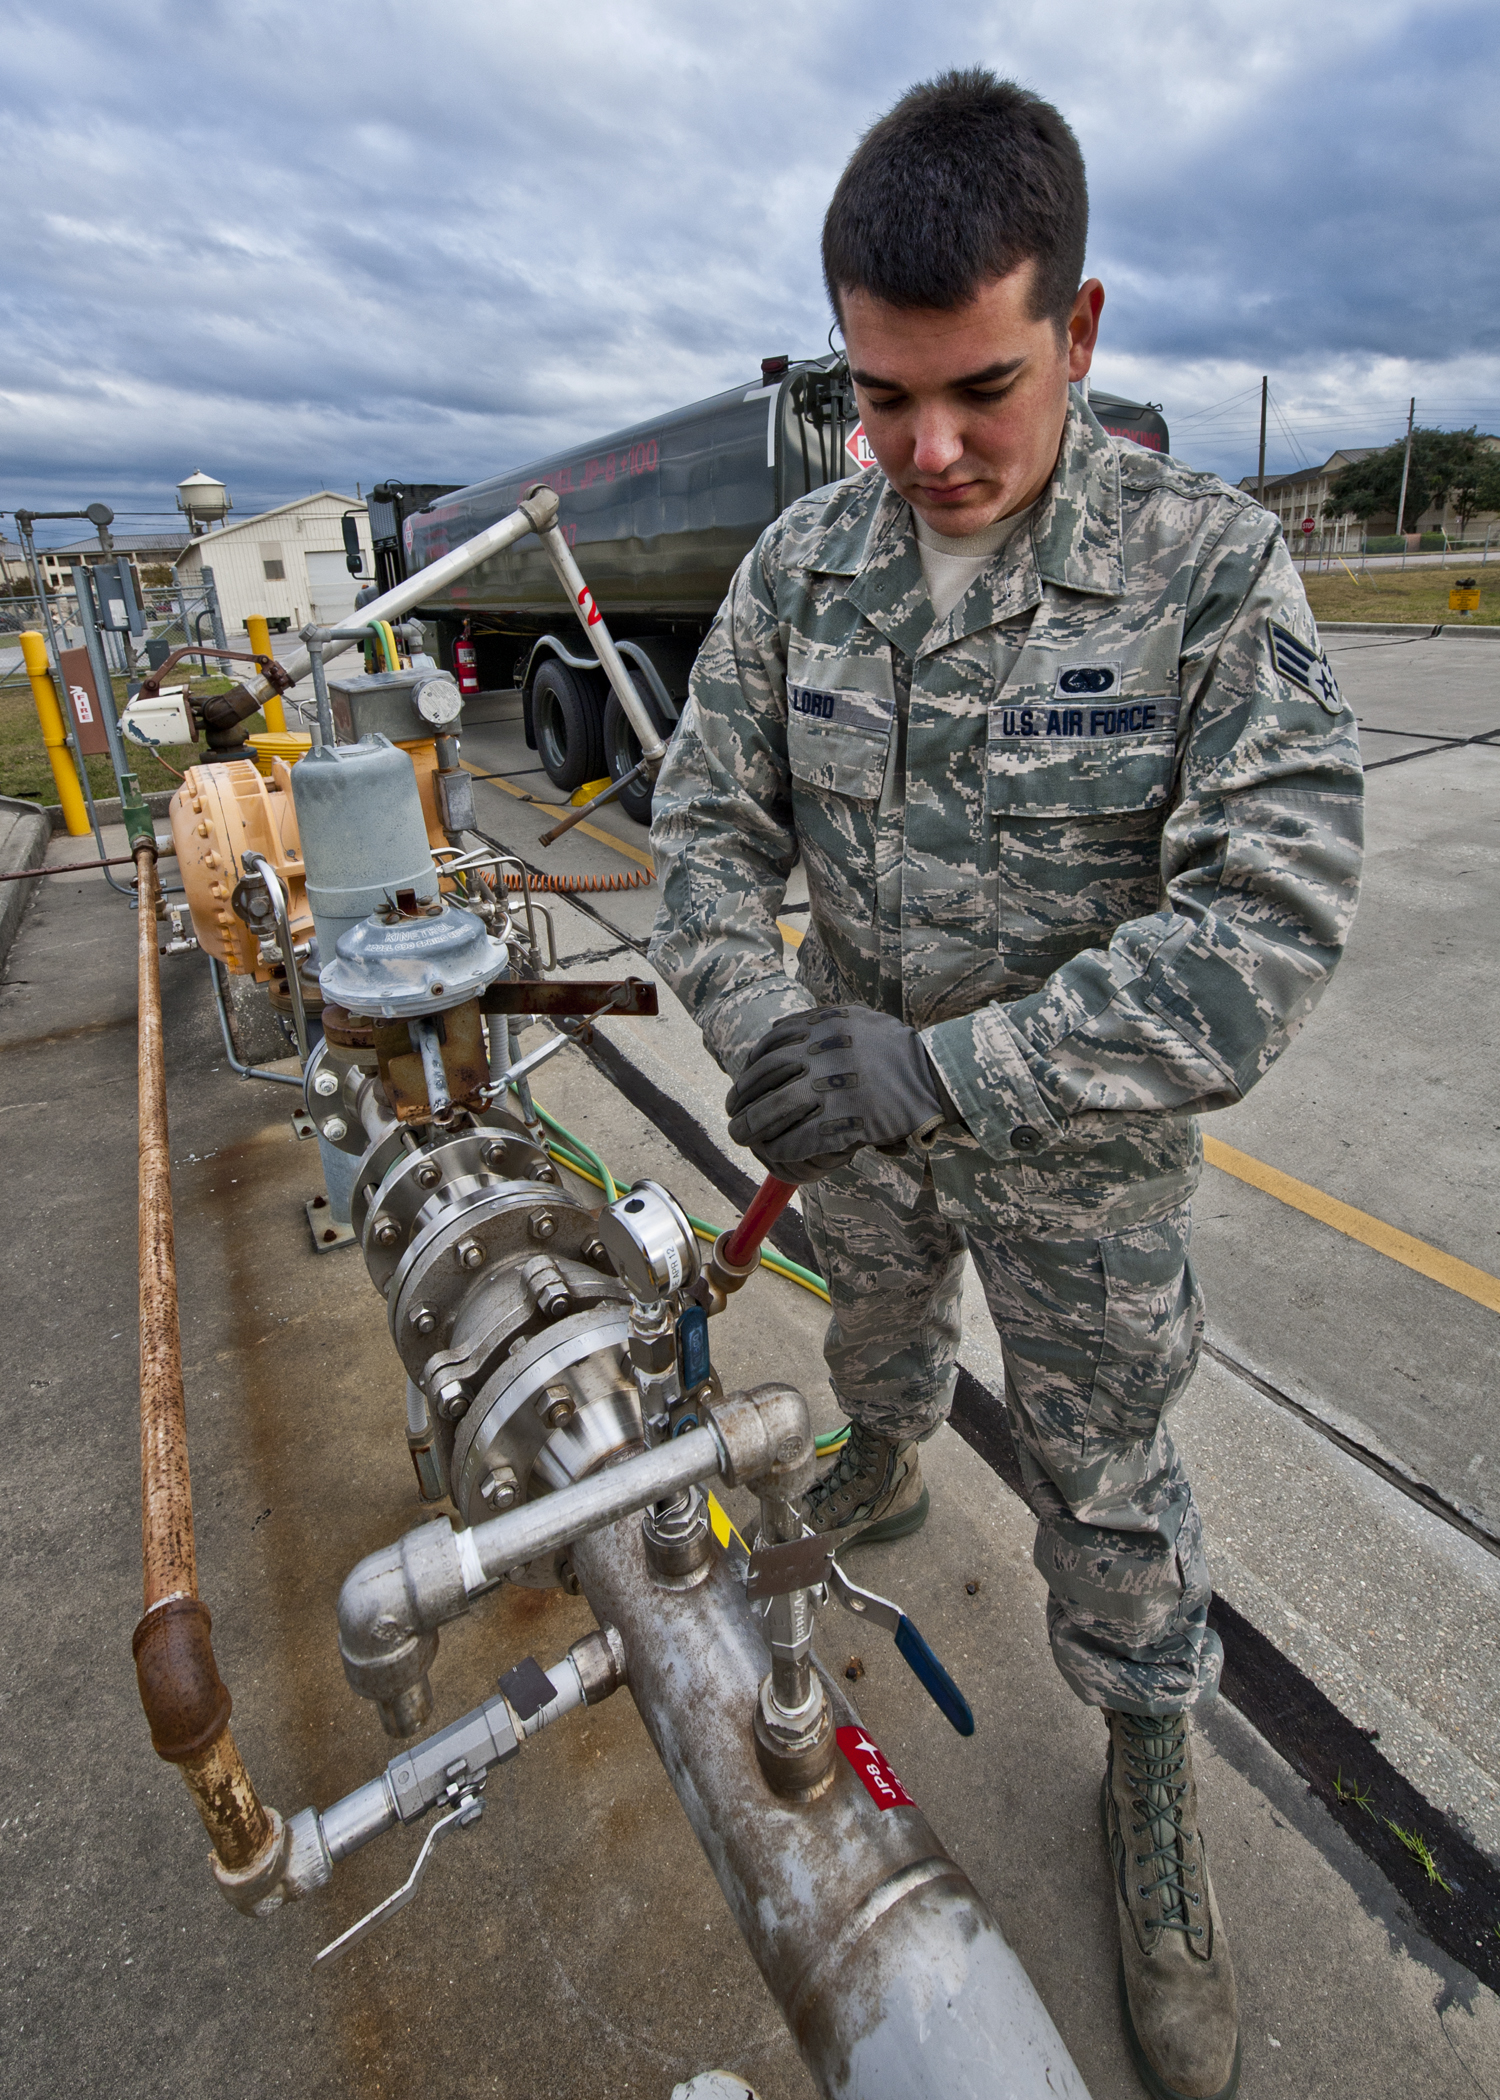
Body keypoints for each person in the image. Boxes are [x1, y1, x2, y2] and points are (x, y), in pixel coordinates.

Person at [649, 69, 1363, 2100]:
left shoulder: (1204, 572)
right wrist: (750, 1023)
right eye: (881, 400)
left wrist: (943, 1066)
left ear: (1086, 326)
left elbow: (1263, 936)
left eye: (978, 386)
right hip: (849, 1124)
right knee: (878, 1339)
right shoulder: (806, 569)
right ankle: (880, 1454)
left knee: (1107, 1482)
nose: (929, 449)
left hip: (1078, 1168)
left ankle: (1148, 1762)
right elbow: (702, 831)